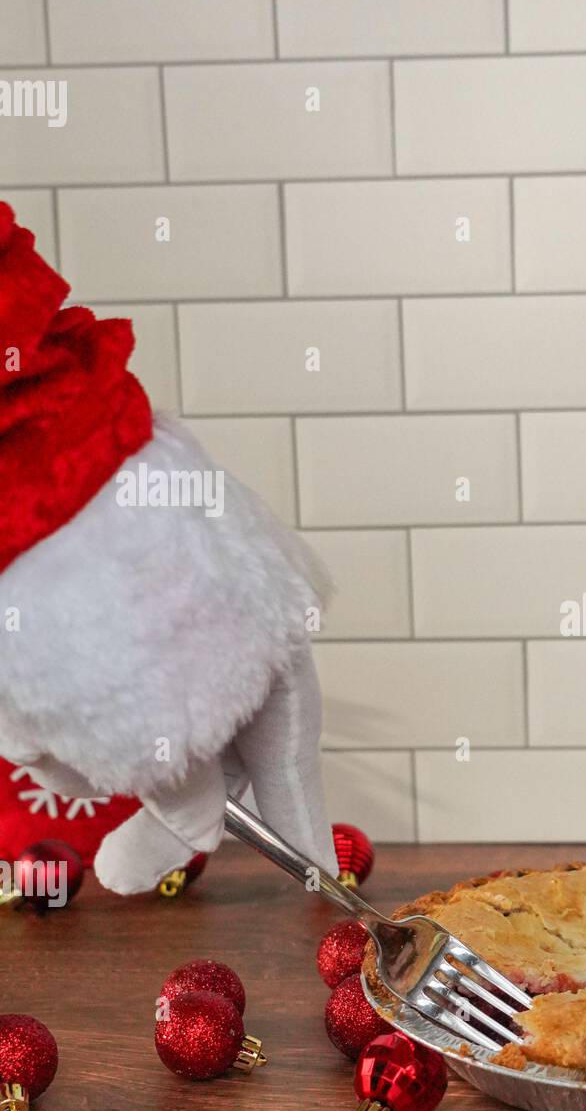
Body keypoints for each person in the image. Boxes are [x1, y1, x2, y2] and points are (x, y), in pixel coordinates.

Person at [0, 201, 335, 892]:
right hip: (67, 516)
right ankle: (191, 812)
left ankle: (199, 813)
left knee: (269, 689)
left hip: (99, 444)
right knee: (190, 744)